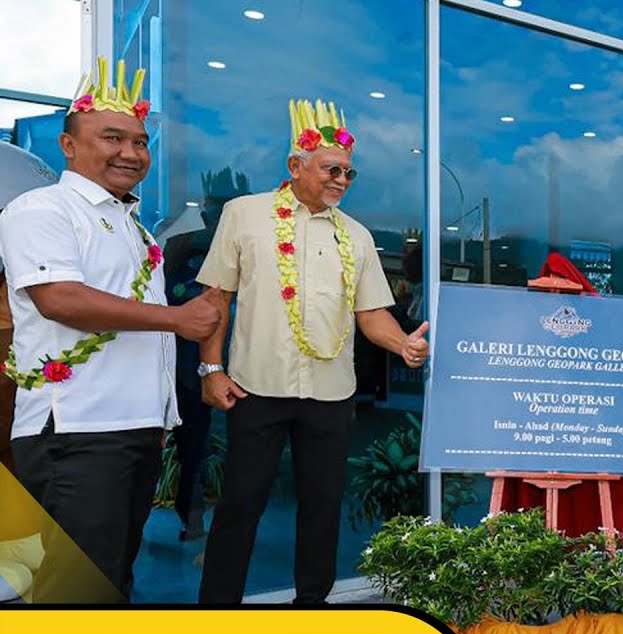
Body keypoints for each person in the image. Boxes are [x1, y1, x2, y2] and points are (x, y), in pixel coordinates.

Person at [0, 58, 220, 602]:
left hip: (135, 429)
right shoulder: (41, 209)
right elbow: (61, 300)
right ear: (69, 145)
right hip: (76, 431)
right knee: (71, 590)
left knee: (112, 578)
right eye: (112, 137)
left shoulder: (134, 225)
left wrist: (163, 414)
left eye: (140, 142)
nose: (130, 152)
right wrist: (177, 319)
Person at [195, 98, 429, 604]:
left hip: (330, 396)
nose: (342, 180)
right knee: (240, 506)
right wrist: (211, 369)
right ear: (295, 166)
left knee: (322, 509)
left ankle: (312, 611)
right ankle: (214, 616)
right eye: (332, 169)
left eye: (349, 172)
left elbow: (371, 314)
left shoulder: (359, 237)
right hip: (256, 388)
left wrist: (405, 344)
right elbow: (217, 298)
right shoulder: (244, 215)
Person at [164, 168, 251, 541]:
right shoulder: (183, 242)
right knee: (192, 447)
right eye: (215, 205)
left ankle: (229, 527)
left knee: (242, 451)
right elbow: (165, 295)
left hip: (245, 368)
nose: (219, 213)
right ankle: (194, 517)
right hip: (186, 367)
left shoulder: (251, 243)